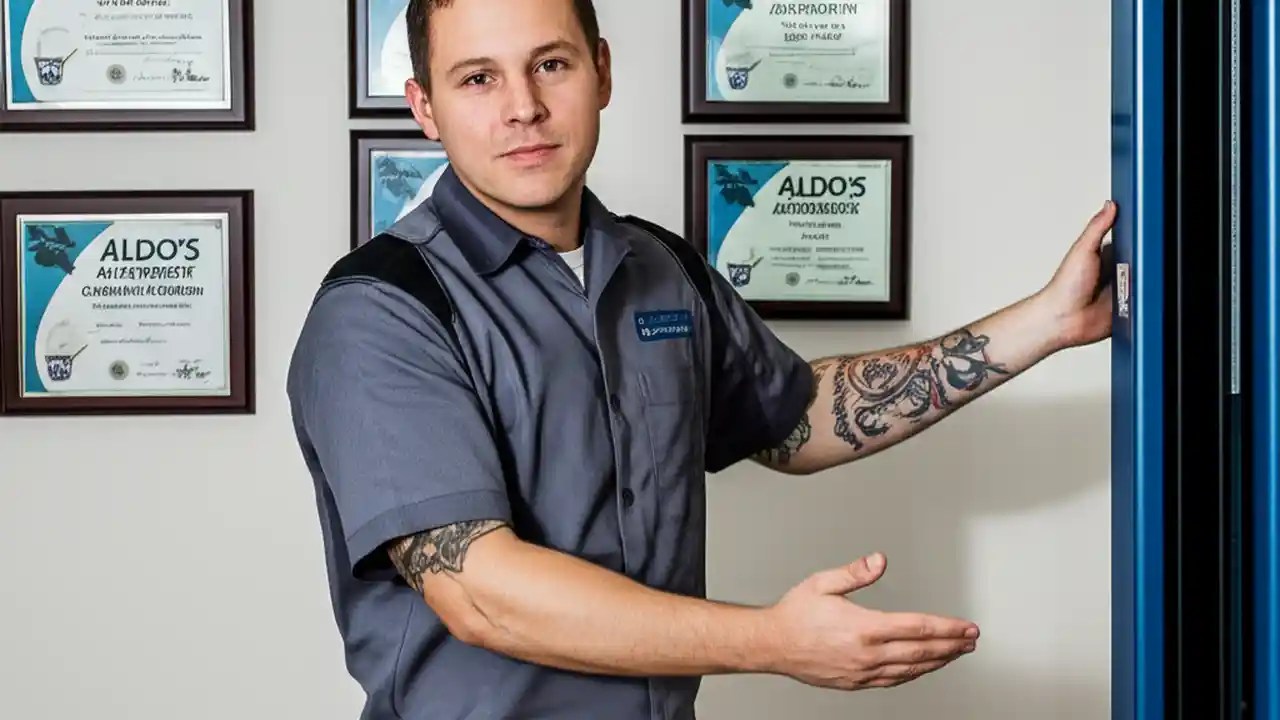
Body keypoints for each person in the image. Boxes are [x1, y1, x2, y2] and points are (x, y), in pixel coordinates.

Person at [285, 0, 1116, 717]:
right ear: (424, 108)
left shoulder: (661, 269)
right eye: (478, 79)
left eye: (550, 63)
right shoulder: (381, 310)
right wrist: (775, 642)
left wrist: (1044, 322)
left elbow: (798, 420)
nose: (524, 108)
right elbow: (479, 593)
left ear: (602, 73)